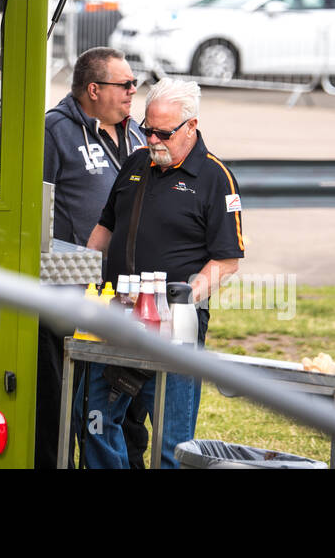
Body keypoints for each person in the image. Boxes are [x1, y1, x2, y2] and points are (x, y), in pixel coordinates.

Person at [79, 77, 243, 469]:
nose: (153, 140)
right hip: (117, 314)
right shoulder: (137, 162)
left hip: (176, 326)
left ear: (191, 127)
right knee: (94, 422)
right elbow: (105, 226)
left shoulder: (215, 178)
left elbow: (227, 260)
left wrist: (182, 300)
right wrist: (83, 272)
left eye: (164, 133)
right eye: (148, 129)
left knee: (174, 446)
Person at [36, 48, 148, 469]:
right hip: (67, 290)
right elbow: (36, 206)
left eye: (134, 83)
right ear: (94, 89)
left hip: (123, 292)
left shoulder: (138, 133)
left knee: (122, 398)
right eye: (125, 84)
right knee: (62, 398)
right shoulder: (55, 131)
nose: (133, 91)